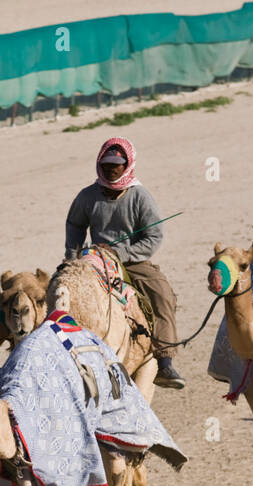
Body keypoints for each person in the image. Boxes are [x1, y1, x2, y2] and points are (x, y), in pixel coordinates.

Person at [63, 137, 185, 389]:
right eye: (106, 163)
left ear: (127, 164)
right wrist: (72, 256)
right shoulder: (87, 196)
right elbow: (75, 224)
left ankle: (165, 360)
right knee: (59, 290)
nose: (111, 168)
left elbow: (154, 236)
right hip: (93, 258)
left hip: (132, 262)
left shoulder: (140, 196)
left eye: (116, 164)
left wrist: (122, 252)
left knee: (162, 294)